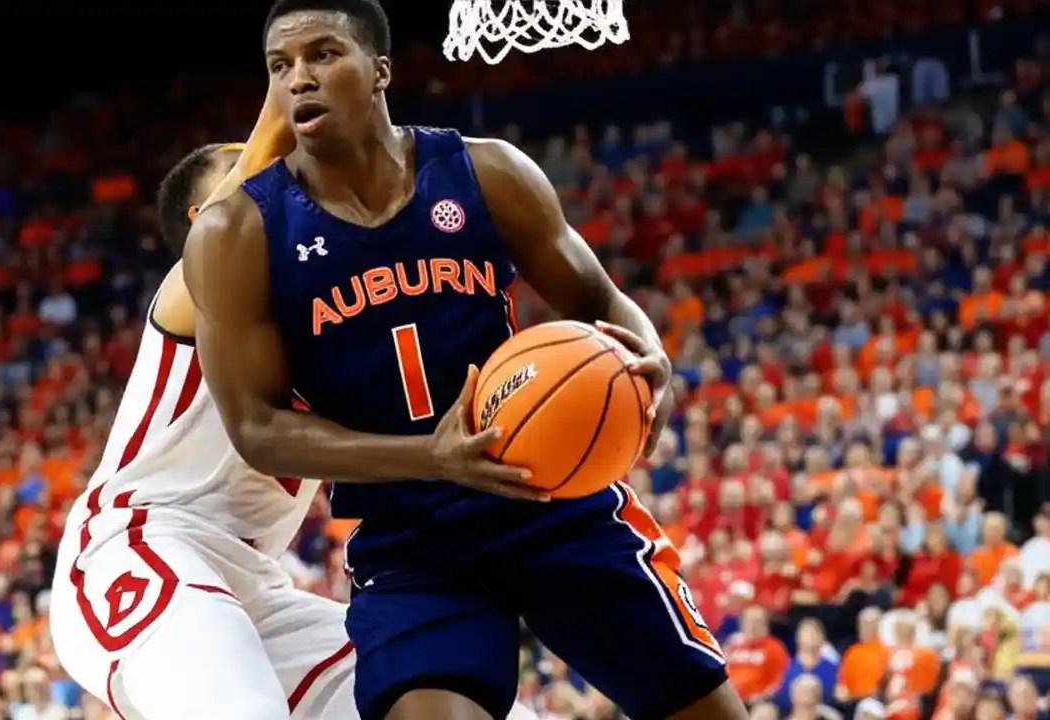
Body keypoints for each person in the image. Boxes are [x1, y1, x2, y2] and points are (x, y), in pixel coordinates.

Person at [183, 1, 747, 718]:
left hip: (553, 500)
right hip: (412, 542)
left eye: (323, 55)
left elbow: (601, 301)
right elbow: (256, 428)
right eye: (280, 67)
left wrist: (651, 358)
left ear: (380, 69)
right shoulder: (239, 232)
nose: (299, 80)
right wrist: (434, 457)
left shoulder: (485, 171)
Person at [51, 139, 537, 720]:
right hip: (135, 546)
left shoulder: (327, 324)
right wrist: (315, 78)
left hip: (255, 587)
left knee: (467, 707)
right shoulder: (196, 287)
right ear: (202, 219)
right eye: (247, 170)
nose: (277, 177)